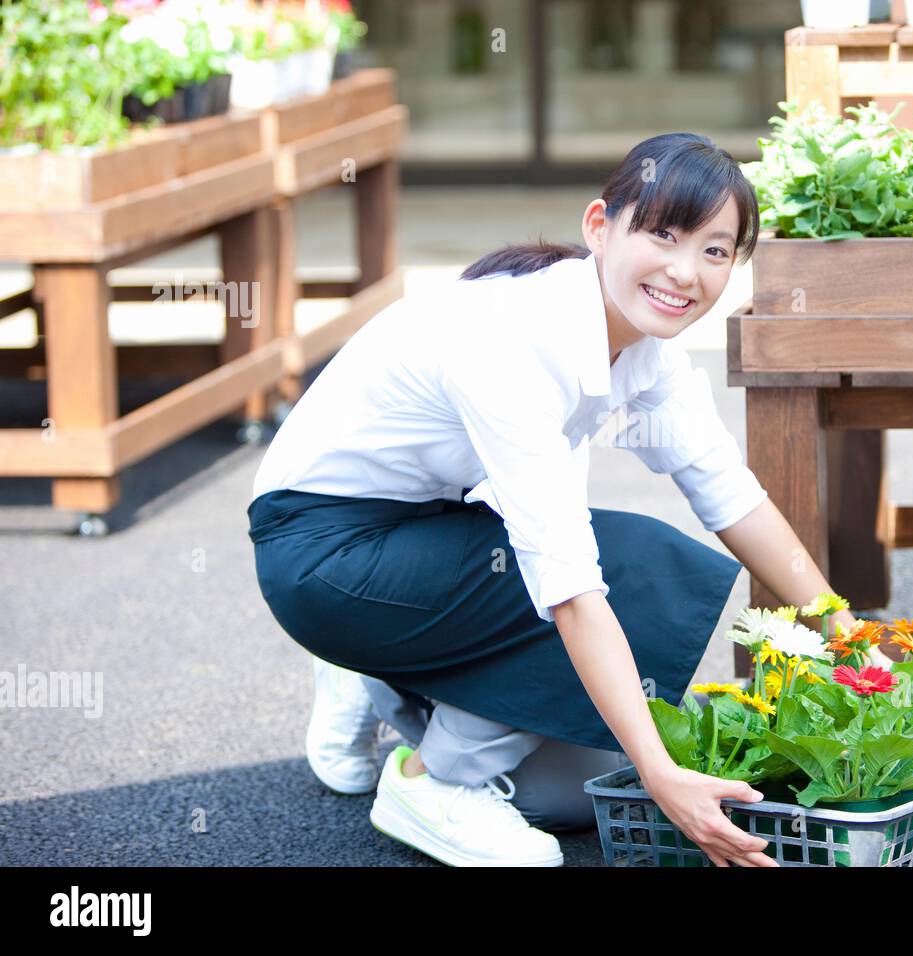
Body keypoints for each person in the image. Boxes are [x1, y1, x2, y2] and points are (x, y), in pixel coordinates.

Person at [247, 132, 870, 868]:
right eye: (663, 234)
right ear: (600, 227)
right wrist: (665, 779)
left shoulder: (645, 347)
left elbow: (732, 497)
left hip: (421, 537)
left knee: (574, 788)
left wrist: (848, 639)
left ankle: (379, 677)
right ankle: (431, 781)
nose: (685, 271)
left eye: (714, 250)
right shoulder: (513, 342)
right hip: (324, 557)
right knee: (637, 566)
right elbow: (569, 583)